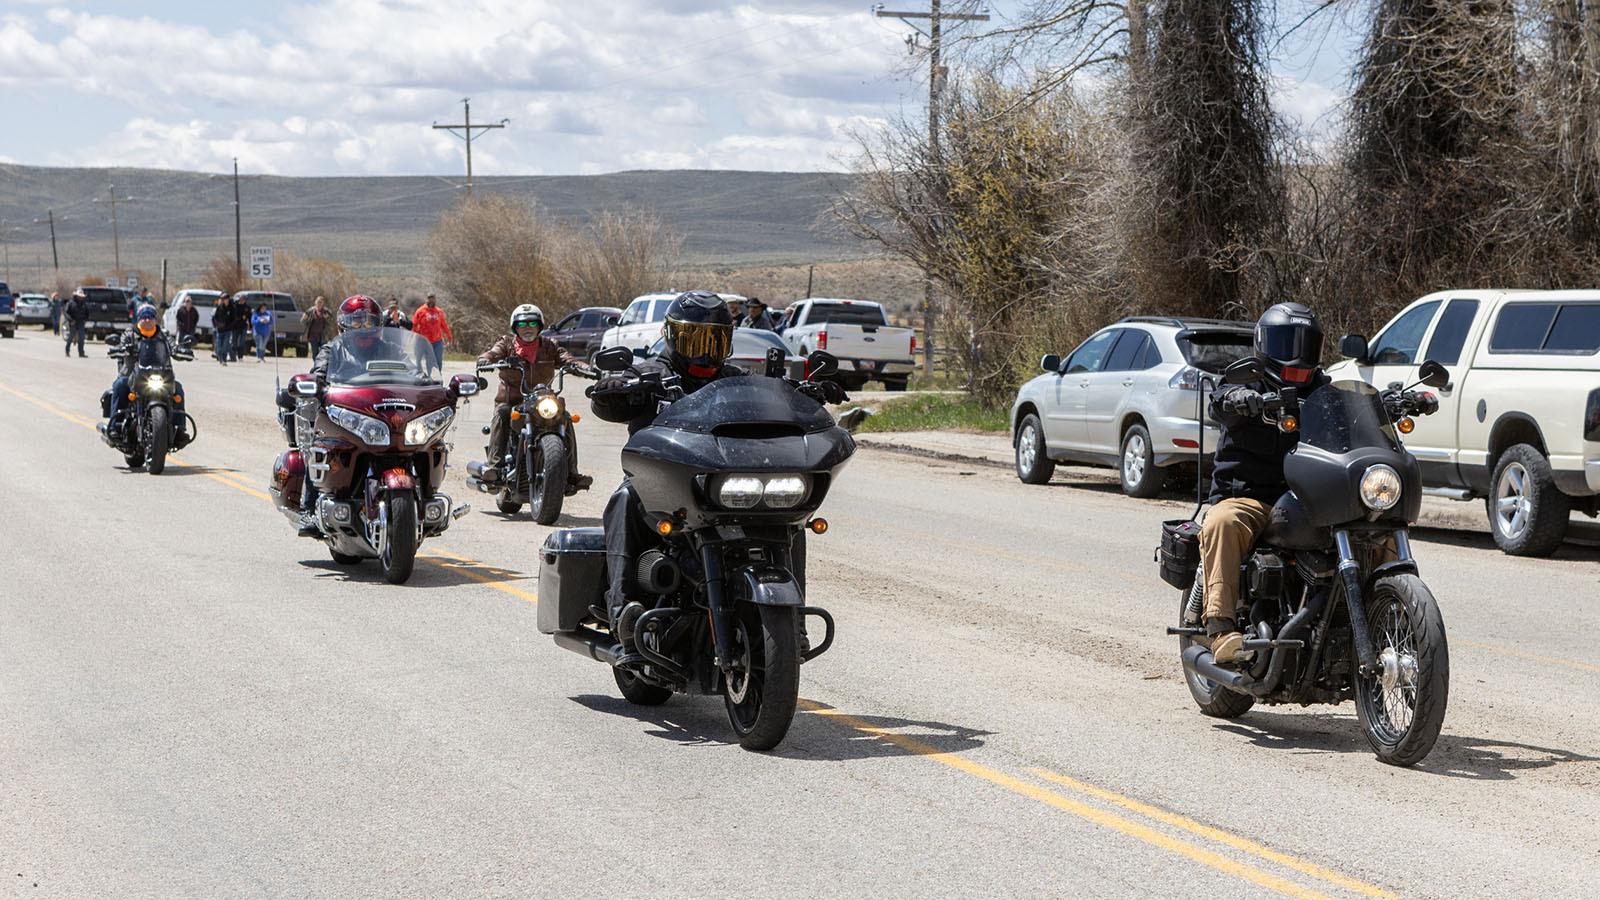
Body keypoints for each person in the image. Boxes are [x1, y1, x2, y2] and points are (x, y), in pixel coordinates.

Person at [590, 290, 753, 663]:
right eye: (694, 338)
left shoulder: (737, 380)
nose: (704, 351)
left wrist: (800, 392)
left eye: (714, 340)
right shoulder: (649, 374)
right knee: (626, 498)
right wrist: (612, 389)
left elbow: (770, 402)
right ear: (673, 336)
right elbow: (609, 401)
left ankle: (793, 624)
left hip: (722, 490)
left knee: (785, 517)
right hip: (662, 488)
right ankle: (623, 610)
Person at [1197, 302, 1329, 664]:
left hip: (1309, 500)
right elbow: (1220, 401)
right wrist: (1238, 399)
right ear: (1265, 344)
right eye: (1288, 343)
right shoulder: (1245, 378)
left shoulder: (1321, 386)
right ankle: (1221, 627)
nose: (1298, 355)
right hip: (1250, 496)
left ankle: (1392, 613)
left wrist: (1387, 402)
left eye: (1306, 344)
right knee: (1224, 522)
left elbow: (1347, 409)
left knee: (1370, 528)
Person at [475, 303, 591, 488]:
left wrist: (585, 368)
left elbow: (566, 359)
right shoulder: (506, 344)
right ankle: (495, 467)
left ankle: (571, 472)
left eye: (532, 324)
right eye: (522, 325)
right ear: (515, 328)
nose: (527, 328)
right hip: (513, 401)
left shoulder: (549, 346)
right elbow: (493, 353)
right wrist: (485, 360)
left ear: (539, 326)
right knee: (502, 413)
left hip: (541, 399)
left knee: (565, 417)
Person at [105, 304, 188, 442]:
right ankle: (114, 428)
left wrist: (182, 351)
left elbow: (173, 346)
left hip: (160, 374)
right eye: (144, 316)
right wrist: (119, 349)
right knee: (120, 385)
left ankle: (179, 429)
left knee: (177, 388)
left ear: (156, 319)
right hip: (133, 375)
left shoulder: (164, 335)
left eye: (151, 316)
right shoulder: (130, 334)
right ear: (139, 319)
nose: (148, 320)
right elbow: (121, 344)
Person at [412, 293, 452, 369]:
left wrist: (449, 336)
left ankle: (437, 378)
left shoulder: (439, 311)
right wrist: (416, 336)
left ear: (435, 300)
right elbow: (414, 325)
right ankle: (429, 378)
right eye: (429, 299)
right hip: (425, 341)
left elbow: (444, 325)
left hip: (437, 341)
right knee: (428, 361)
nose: (431, 301)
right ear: (426, 300)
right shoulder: (420, 311)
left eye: (433, 299)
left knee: (438, 361)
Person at [212, 294, 235, 365]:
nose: (224, 300)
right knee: (218, 345)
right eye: (223, 299)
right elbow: (215, 317)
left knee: (225, 345)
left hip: (227, 330)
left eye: (225, 299)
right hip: (219, 330)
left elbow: (234, 319)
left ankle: (224, 359)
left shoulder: (232, 308)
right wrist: (216, 325)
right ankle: (219, 357)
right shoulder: (220, 307)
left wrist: (230, 326)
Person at [63, 290, 87, 357]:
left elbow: (87, 313)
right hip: (72, 323)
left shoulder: (83, 304)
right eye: (79, 296)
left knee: (81, 338)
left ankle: (81, 353)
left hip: (81, 323)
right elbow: (66, 313)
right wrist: (71, 320)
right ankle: (67, 351)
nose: (80, 298)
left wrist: (85, 320)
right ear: (76, 296)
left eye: (81, 296)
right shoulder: (70, 303)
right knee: (70, 337)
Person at [229, 293, 249, 361]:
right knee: (233, 342)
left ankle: (240, 356)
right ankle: (233, 355)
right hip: (235, 326)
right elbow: (233, 316)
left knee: (242, 342)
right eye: (241, 299)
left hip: (243, 327)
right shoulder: (235, 306)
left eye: (244, 299)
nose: (242, 300)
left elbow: (249, 316)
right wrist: (240, 317)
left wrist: (251, 326)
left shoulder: (247, 307)